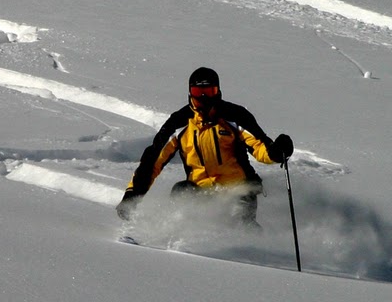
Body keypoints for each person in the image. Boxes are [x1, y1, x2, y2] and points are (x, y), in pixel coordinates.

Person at [118, 67, 293, 224]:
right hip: (200, 190)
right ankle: (175, 235)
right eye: (197, 91)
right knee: (181, 191)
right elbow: (154, 160)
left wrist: (276, 152)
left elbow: (259, 146)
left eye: (209, 91)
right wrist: (133, 194)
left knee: (237, 219)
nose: (203, 97)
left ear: (218, 92)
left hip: (238, 188)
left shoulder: (234, 116)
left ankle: (249, 245)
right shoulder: (179, 122)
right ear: (189, 93)